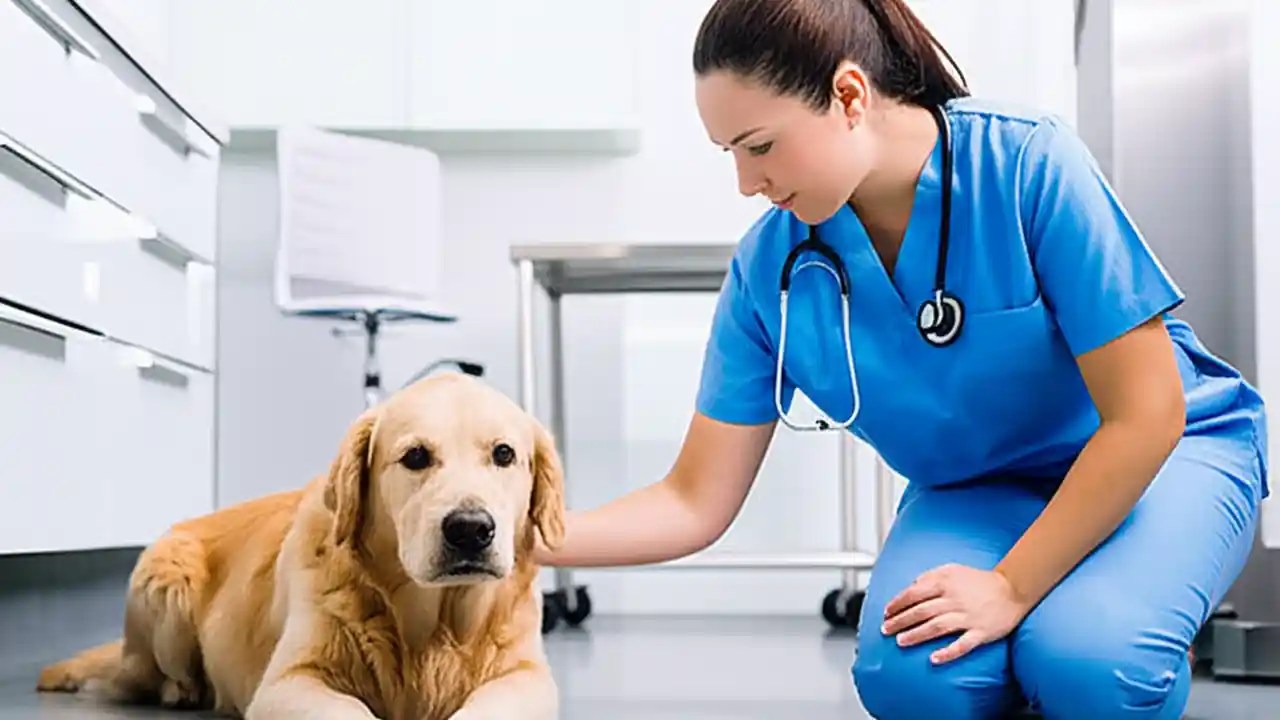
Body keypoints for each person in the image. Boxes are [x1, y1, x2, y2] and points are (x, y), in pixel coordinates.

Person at [532, 0, 1270, 717]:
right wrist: (510, 543)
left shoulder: (1025, 163)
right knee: (914, 679)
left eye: (759, 146)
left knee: (1090, 663)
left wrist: (1011, 587)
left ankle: (1101, 643)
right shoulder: (772, 269)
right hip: (983, 489)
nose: (746, 183)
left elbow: (1148, 415)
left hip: (1162, 460)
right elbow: (693, 501)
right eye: (731, 154)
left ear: (849, 95)